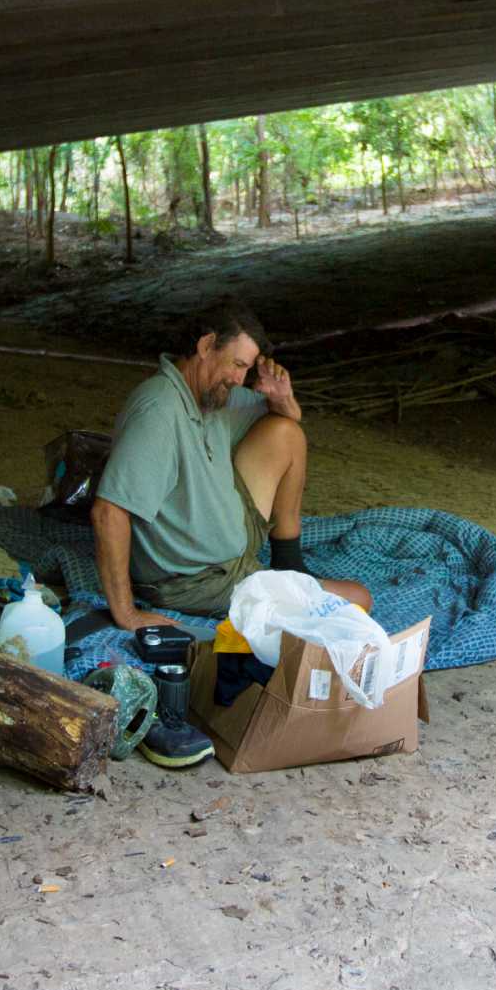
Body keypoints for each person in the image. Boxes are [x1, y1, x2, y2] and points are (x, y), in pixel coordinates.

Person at [92, 298, 371, 768]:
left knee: (285, 433)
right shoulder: (158, 412)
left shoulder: (207, 393)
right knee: (359, 599)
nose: (240, 379)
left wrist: (278, 393)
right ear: (205, 346)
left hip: (232, 532)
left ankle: (287, 569)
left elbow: (290, 418)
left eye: (246, 369)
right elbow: (108, 511)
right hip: (203, 575)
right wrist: (126, 612)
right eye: (237, 365)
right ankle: (283, 587)